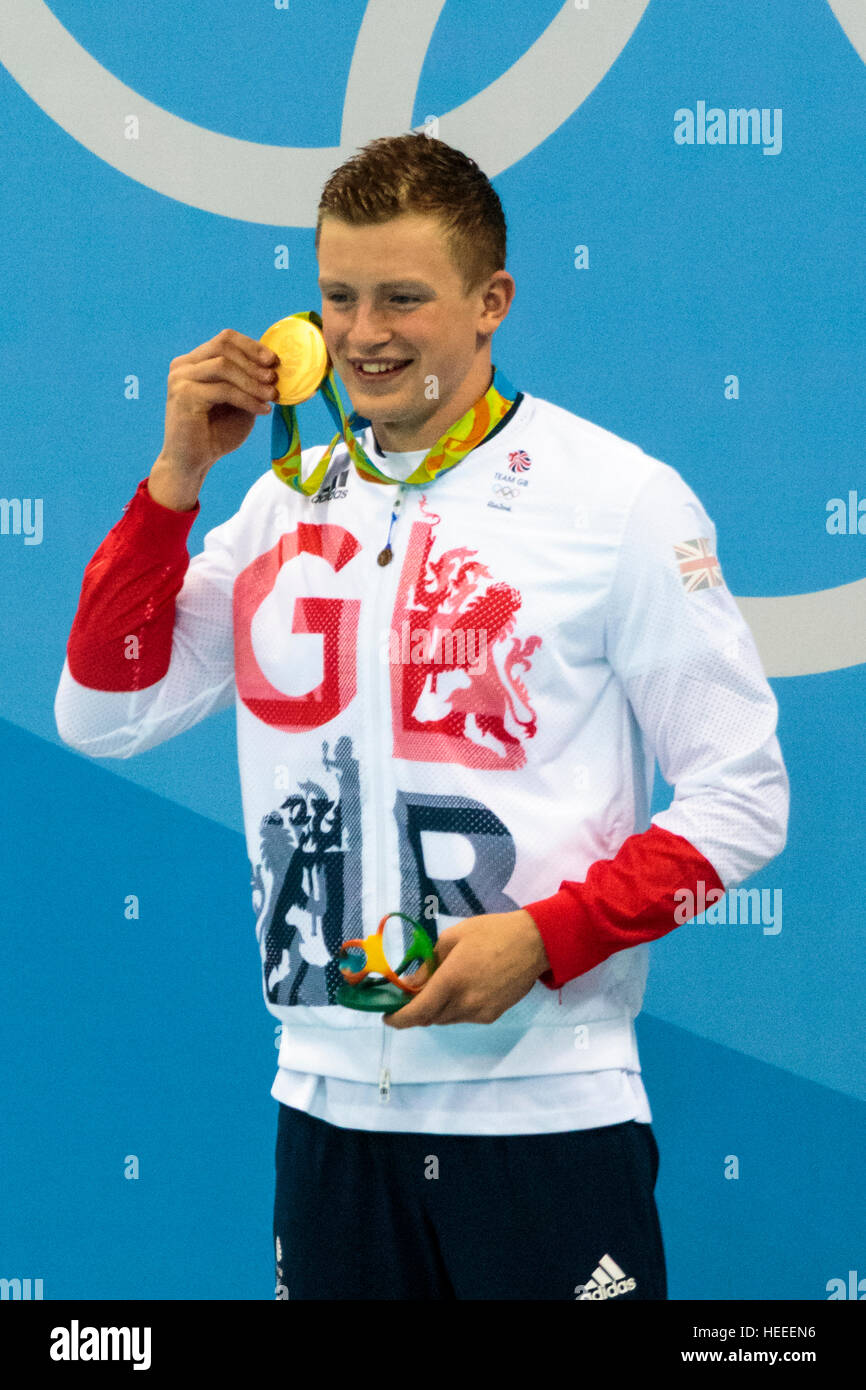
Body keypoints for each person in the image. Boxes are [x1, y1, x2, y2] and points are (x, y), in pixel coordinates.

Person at [54, 133, 789, 1301]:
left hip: (548, 1113)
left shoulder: (617, 502)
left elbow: (743, 801)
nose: (361, 334)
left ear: (491, 301)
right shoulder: (277, 507)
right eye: (337, 297)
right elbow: (104, 711)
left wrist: (549, 936)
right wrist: (172, 486)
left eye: (402, 296)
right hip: (325, 1111)